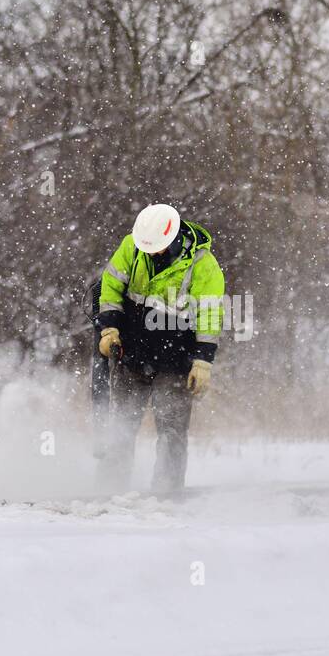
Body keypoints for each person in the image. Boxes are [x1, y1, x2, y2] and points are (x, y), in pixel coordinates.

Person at [95, 203, 225, 491]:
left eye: (157, 248)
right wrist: (110, 329)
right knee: (121, 427)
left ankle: (167, 496)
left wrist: (203, 362)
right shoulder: (132, 246)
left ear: (173, 238)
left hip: (176, 361)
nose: (152, 253)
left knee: (171, 433)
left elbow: (211, 315)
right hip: (131, 355)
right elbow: (111, 286)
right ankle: (108, 491)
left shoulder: (203, 264)